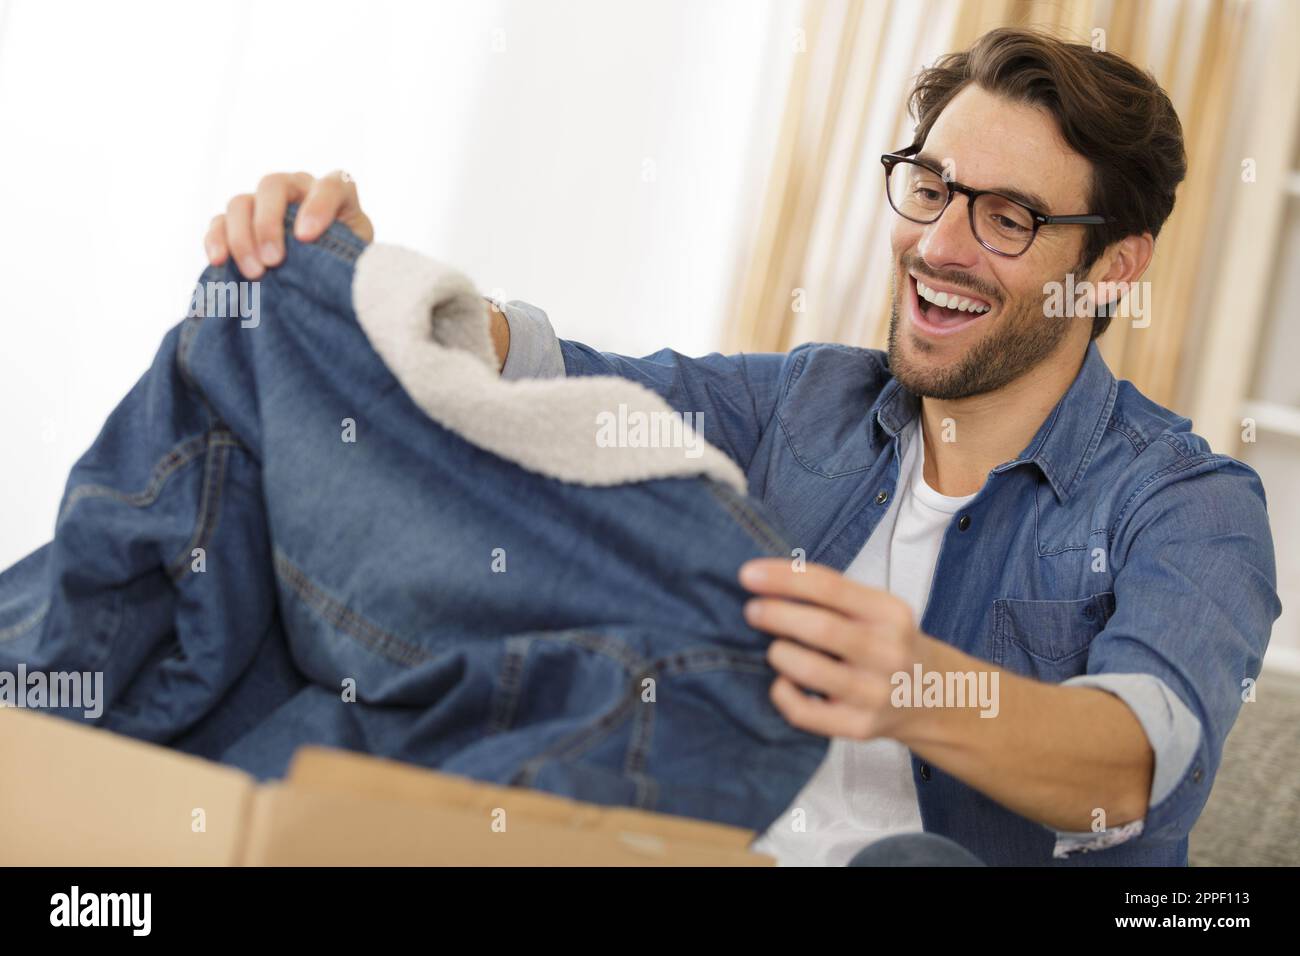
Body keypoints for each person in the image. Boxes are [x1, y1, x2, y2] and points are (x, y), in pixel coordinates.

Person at [201, 28, 1279, 866]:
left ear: (1112, 269)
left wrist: (917, 685)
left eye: (1007, 219)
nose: (939, 244)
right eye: (932, 188)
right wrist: (369, 280)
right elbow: (546, 377)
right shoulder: (804, 402)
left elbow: (1135, 757)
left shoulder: (1187, 502)